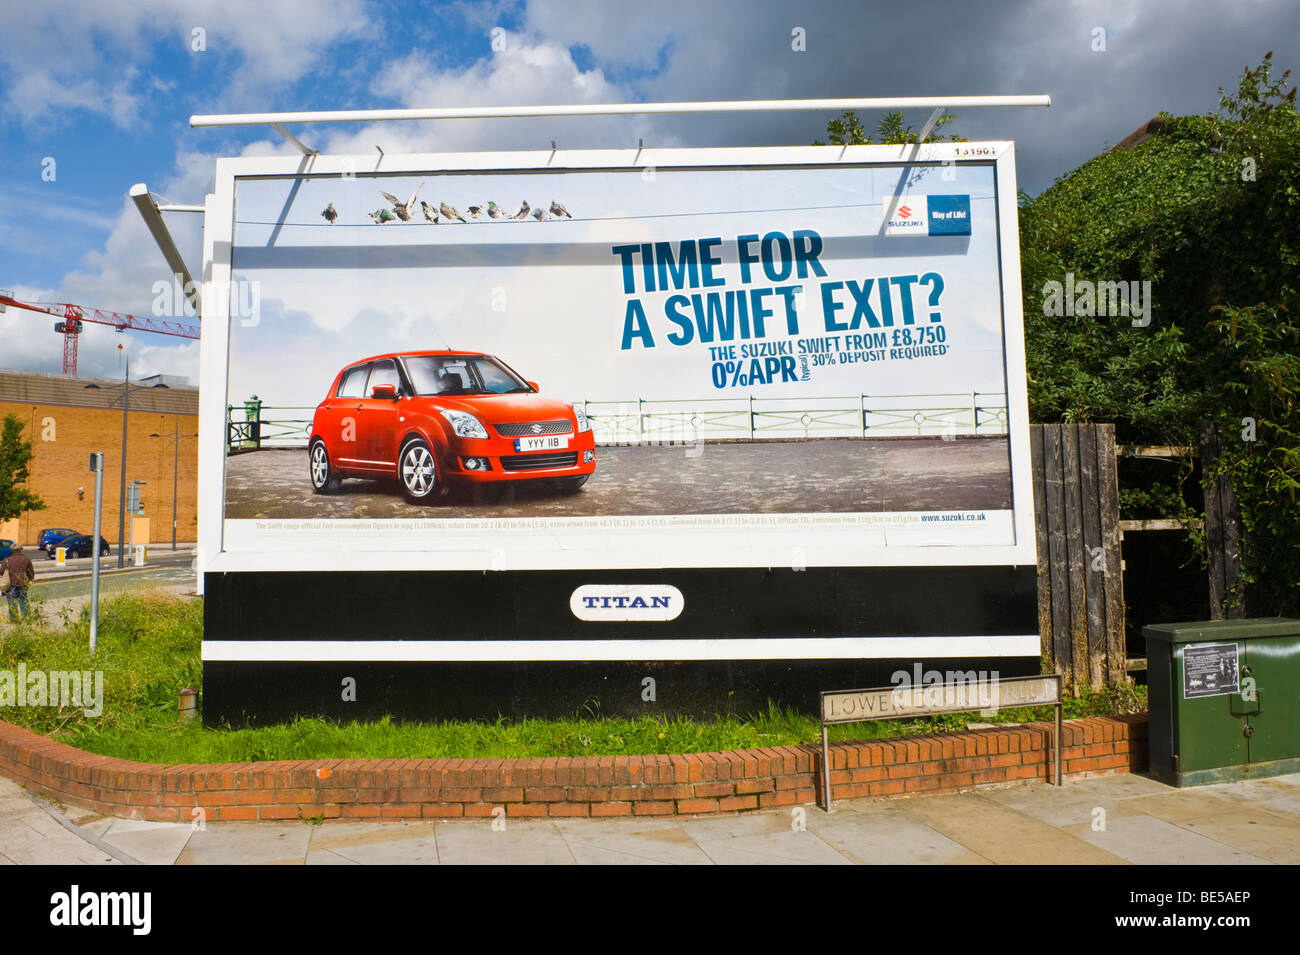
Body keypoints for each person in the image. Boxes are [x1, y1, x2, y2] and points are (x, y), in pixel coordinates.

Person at [2, 542, 36, 621]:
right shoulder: (26, 559)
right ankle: (26, 617)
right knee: (23, 601)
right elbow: (31, 572)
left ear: (12, 550)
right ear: (21, 550)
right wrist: (30, 579)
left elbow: (2, 571)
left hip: (11, 584)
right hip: (23, 583)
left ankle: (14, 619)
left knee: (12, 602)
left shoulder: (6, 560)